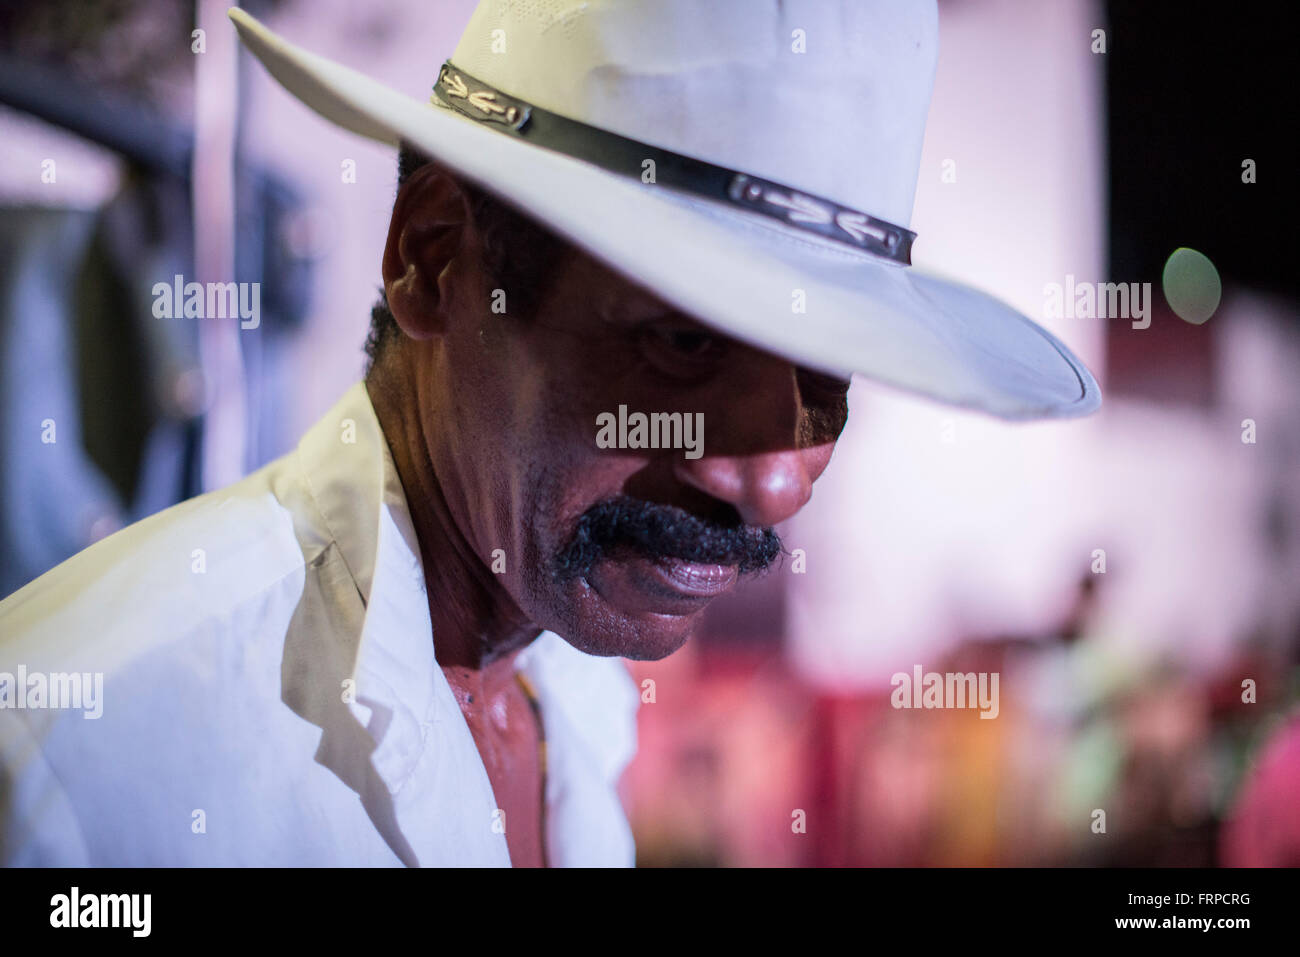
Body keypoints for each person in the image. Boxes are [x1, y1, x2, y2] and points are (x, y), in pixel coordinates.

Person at [0, 0, 1099, 867]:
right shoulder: (80, 750)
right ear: (434, 260)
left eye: (826, 382)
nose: (770, 484)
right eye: (679, 346)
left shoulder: (573, 692)